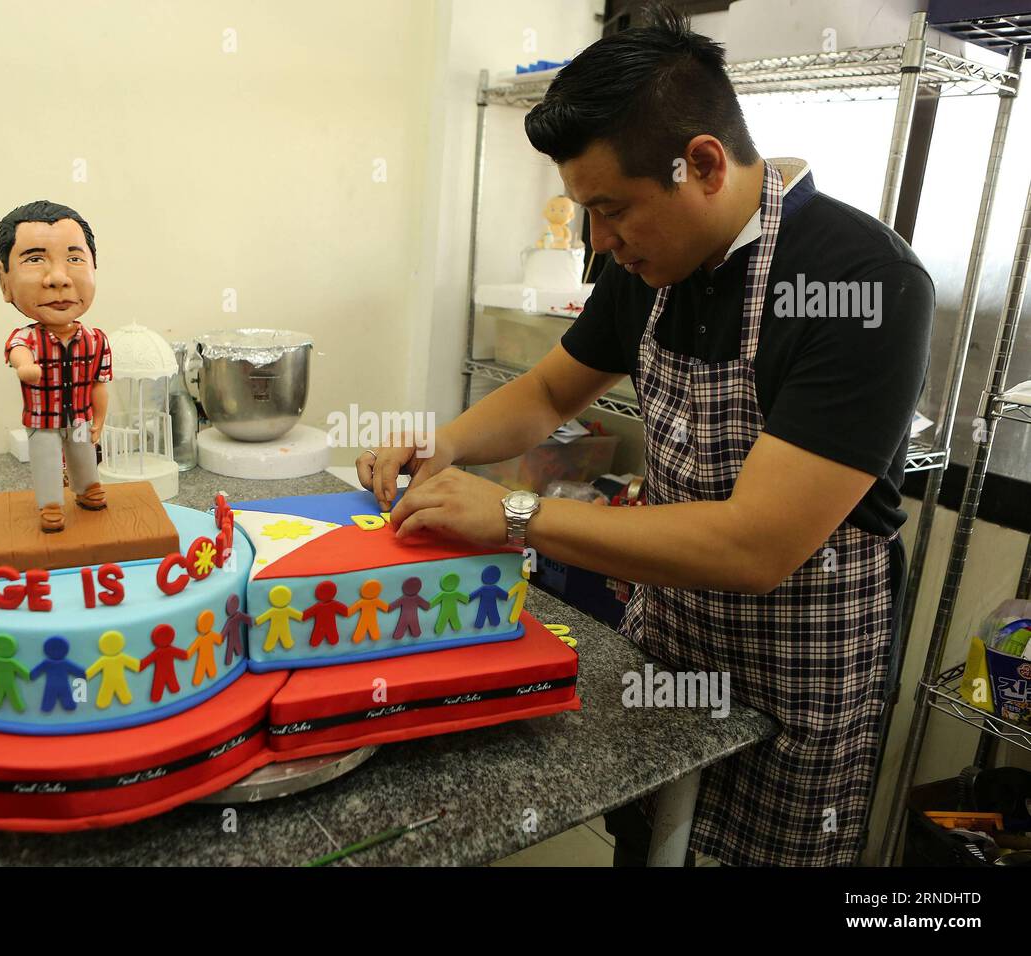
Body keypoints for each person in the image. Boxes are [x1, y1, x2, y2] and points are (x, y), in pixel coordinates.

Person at [357, 6, 932, 866]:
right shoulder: (648, 264)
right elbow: (551, 389)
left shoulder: (861, 282)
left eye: (611, 209)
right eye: (584, 212)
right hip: (668, 630)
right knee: (649, 838)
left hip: (799, 657)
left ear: (700, 163)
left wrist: (514, 513)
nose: (600, 241)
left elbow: (755, 545)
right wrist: (443, 445)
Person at [0, 200, 112, 534]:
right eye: (34, 259)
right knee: (47, 462)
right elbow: (17, 352)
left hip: (79, 416)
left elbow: (99, 383)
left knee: (83, 453)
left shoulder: (95, 339)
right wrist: (25, 367)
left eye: (75, 258)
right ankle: (50, 505)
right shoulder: (26, 338)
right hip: (43, 421)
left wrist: (99, 418)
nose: (58, 278)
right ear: (4, 279)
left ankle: (88, 488)